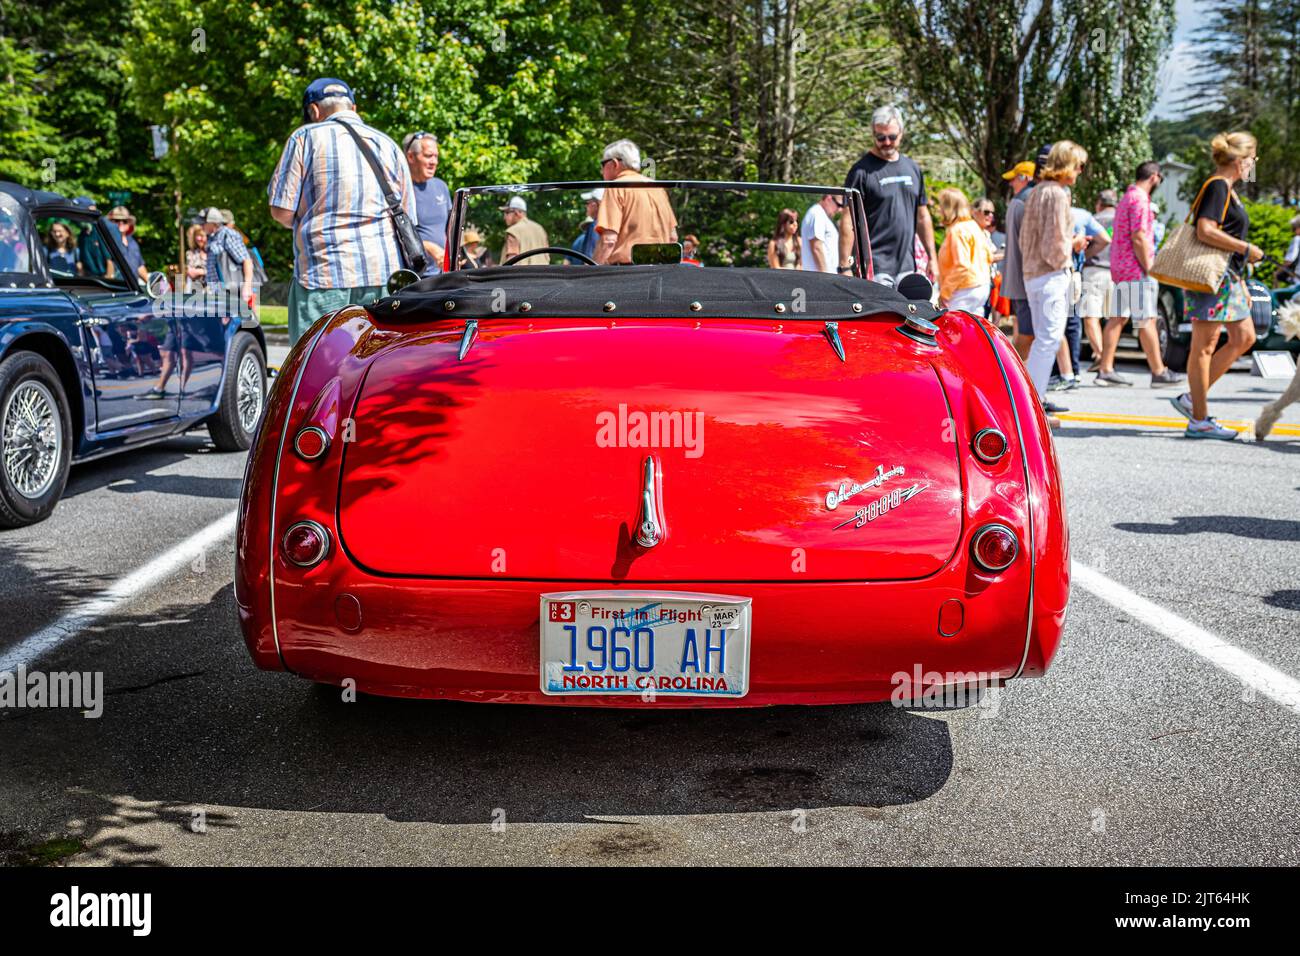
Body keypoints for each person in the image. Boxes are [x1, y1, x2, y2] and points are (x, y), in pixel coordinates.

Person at [267, 77, 416, 344]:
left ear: (314, 111)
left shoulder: (304, 137)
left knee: (314, 364)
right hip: (382, 275)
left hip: (323, 273)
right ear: (353, 108)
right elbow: (408, 216)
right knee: (375, 366)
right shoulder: (388, 144)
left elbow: (281, 210)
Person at [1168, 132, 1263, 440]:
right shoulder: (1218, 186)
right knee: (1204, 346)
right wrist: (1245, 249)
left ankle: (1193, 399)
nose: (1253, 164)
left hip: (1229, 278)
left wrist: (1243, 280)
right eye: (1252, 158)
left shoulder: (1229, 189)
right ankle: (1199, 419)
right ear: (1238, 160)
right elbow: (1205, 229)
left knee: (1244, 337)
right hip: (1211, 280)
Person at [1098, 161, 1183, 387]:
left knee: (1118, 317)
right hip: (1136, 268)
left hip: (1120, 267)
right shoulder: (1140, 199)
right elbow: (1139, 236)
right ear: (1154, 176)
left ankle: (1105, 368)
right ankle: (1158, 371)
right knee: (1146, 319)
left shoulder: (1127, 197)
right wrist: (1149, 267)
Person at [1020, 140, 1087, 404]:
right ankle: (1034, 401)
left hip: (1033, 275)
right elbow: (1055, 243)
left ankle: (1031, 398)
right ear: (1068, 165)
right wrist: (1075, 245)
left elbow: (1031, 239)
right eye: (1079, 165)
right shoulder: (1057, 193)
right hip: (1051, 274)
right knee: (1048, 340)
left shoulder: (1037, 190)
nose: (1080, 171)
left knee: (1043, 340)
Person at [840, 105, 937, 285]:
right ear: (873, 134)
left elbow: (923, 217)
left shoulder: (913, 169)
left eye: (892, 137)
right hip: (875, 268)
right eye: (880, 137)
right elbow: (848, 220)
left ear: (901, 132)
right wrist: (845, 266)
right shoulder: (861, 171)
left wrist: (933, 257)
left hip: (908, 266)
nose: (886, 142)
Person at [594, 138, 677, 265]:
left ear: (615, 163)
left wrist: (591, 271)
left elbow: (608, 240)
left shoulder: (616, 187)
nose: (601, 171)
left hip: (626, 274)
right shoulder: (658, 189)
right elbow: (673, 238)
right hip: (660, 272)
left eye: (603, 164)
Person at [1050, 204, 1106, 391]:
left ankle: (1062, 373)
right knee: (1072, 322)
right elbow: (1105, 239)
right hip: (1076, 272)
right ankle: (1073, 371)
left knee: (1058, 323)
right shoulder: (1083, 214)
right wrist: (1084, 254)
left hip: (1059, 271)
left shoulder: (1056, 212)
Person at [1000, 154, 1046, 363]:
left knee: (1026, 330)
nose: (1011, 182)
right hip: (1025, 278)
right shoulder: (1026, 201)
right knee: (1028, 332)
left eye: (1015, 177)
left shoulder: (1019, 201)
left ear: (1026, 178)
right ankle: (1012, 377)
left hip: (1020, 277)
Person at [935, 188, 992, 313]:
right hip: (981, 287)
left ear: (948, 208)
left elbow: (962, 265)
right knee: (973, 329)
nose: (939, 210)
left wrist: (945, 292)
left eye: (941, 206)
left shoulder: (958, 230)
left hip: (963, 290)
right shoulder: (973, 226)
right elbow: (989, 257)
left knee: (956, 330)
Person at [403, 131, 452, 275]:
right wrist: (428, 247)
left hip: (443, 274)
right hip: (415, 275)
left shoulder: (441, 186)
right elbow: (395, 234)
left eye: (436, 156)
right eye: (428, 156)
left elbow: (450, 228)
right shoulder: (400, 189)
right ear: (411, 157)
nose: (434, 162)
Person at [1079, 188, 1116, 367]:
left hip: (1094, 271)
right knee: (1112, 319)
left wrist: (1086, 257)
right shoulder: (1122, 220)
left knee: (1091, 316)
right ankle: (1106, 358)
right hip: (1116, 274)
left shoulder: (1094, 220)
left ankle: (1101, 356)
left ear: (1099, 204)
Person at [202, 207, 255, 315]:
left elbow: (246, 260)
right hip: (218, 292)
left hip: (233, 291)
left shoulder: (227, 234)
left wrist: (247, 287)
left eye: (204, 223)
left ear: (213, 223)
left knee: (244, 325)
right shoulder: (213, 237)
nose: (201, 226)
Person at [499, 197, 549, 265]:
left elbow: (511, 262)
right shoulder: (540, 229)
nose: (504, 217)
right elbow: (547, 256)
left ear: (517, 213)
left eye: (507, 212)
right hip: (544, 274)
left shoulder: (513, 231)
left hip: (522, 275)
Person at [801, 194, 843, 273]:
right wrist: (825, 277)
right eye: (839, 205)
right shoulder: (817, 213)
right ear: (828, 199)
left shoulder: (820, 214)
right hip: (820, 278)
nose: (840, 209)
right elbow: (816, 247)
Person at [106, 206, 149, 283]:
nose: (121, 223)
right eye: (116, 220)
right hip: (114, 289)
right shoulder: (105, 242)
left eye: (125, 221)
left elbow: (140, 267)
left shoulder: (133, 243)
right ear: (110, 223)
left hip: (132, 290)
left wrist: (153, 286)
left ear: (129, 224)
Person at [571, 189, 602, 261]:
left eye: (588, 203)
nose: (586, 206)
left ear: (595, 205)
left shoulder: (594, 225)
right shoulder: (608, 223)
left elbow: (589, 259)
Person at [184, 224, 207, 293]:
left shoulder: (213, 252)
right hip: (196, 292)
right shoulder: (191, 254)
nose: (199, 238)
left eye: (202, 236)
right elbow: (191, 273)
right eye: (197, 236)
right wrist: (206, 271)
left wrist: (201, 271)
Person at [1278, 214, 1300, 284]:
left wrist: (1277, 272)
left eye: (1293, 228)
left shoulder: (1297, 239)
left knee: (1276, 293)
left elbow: (1289, 260)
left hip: (1297, 278)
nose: (1292, 231)